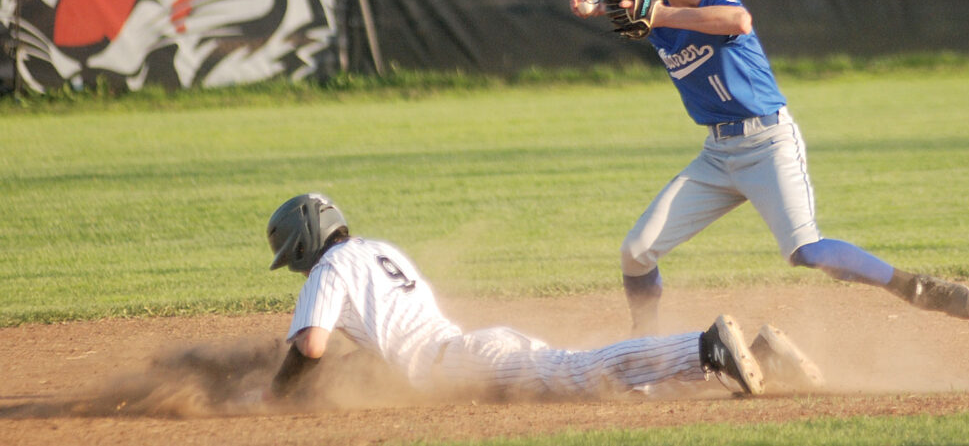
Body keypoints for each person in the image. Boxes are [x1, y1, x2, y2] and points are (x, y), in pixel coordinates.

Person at [569, 0, 969, 335]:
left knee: (806, 251)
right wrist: (594, 3)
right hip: (717, 156)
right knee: (636, 252)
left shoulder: (716, 2)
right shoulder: (654, 19)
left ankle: (915, 288)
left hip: (768, 144)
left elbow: (738, 22)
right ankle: (644, 344)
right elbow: (619, 4)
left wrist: (659, 14)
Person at [250, 192, 823, 404]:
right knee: (607, 390)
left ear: (301, 245)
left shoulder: (328, 269)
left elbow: (312, 346)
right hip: (466, 357)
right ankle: (756, 357)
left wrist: (278, 394)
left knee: (582, 372)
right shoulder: (375, 250)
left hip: (462, 360)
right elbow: (380, 341)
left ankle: (707, 348)